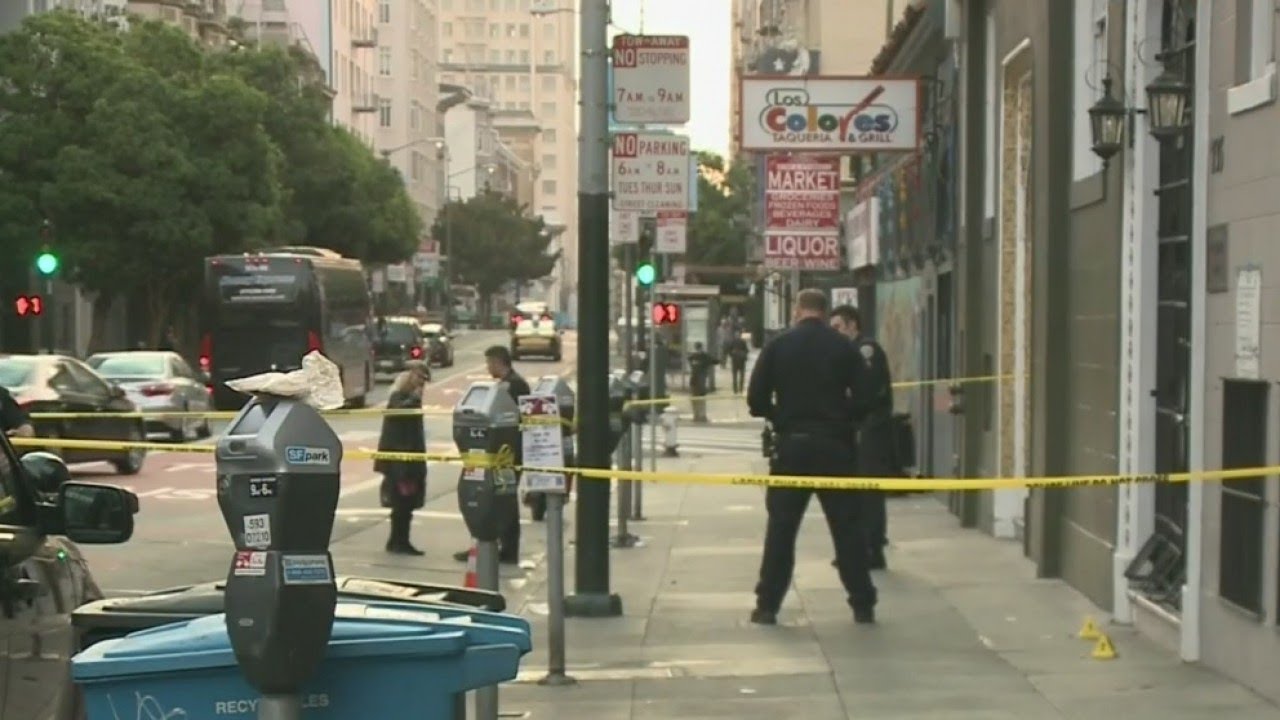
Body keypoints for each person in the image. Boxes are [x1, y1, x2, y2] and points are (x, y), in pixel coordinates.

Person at [746, 288, 877, 625]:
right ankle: (862, 602)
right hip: (835, 447)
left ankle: (768, 604)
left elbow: (756, 399)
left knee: (782, 529)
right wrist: (844, 417)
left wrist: (780, 416)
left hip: (792, 446)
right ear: (824, 311)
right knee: (847, 529)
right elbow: (867, 397)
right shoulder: (843, 347)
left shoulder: (778, 346)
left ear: (797, 310)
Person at [829, 304, 895, 570]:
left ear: (852, 325)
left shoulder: (866, 350)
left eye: (838, 327)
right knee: (852, 493)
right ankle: (855, 549)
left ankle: (872, 549)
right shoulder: (848, 352)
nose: (834, 333)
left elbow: (867, 392)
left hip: (870, 429)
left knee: (868, 492)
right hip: (855, 428)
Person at [454, 346, 529, 565]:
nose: (488, 368)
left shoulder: (515, 385)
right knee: (490, 499)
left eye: (489, 363)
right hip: (495, 453)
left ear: (498, 362)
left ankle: (507, 548)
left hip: (506, 455)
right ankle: (487, 544)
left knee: (504, 500)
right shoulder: (503, 386)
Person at [375, 361, 430, 556]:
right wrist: (414, 398)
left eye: (423, 380)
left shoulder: (411, 399)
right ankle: (399, 541)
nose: (421, 384)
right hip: (400, 460)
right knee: (402, 502)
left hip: (408, 458)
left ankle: (397, 540)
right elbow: (399, 416)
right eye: (418, 378)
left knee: (406, 502)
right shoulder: (399, 397)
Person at [687, 342, 714, 423]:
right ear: (701, 348)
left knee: (694, 399)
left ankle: (696, 415)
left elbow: (690, 361)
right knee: (701, 399)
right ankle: (702, 416)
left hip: (694, 380)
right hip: (701, 380)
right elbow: (712, 361)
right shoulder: (704, 356)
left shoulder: (692, 356)